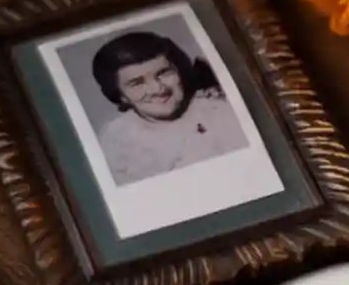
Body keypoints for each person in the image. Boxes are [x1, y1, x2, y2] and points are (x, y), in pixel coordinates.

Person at [90, 31, 248, 186]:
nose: (158, 89)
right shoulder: (117, 140)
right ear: (120, 95)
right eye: (137, 83)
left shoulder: (219, 109)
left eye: (164, 73)